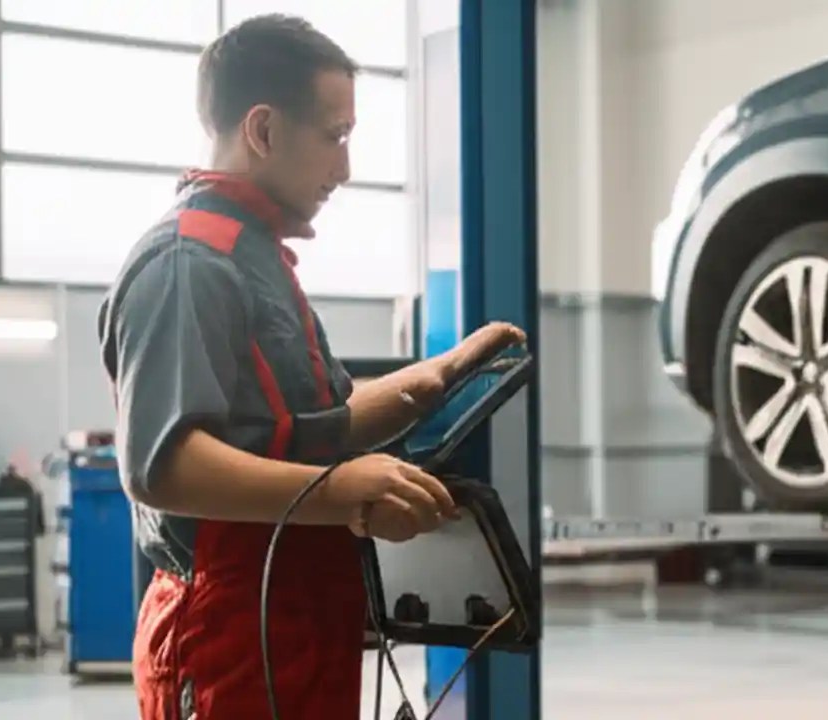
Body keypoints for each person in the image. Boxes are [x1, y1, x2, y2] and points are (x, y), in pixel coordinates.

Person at [96, 14, 525, 720]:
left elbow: (307, 429)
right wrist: (340, 493)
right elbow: (162, 465)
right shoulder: (187, 264)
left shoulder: (254, 257)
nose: (345, 169)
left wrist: (433, 379)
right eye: (336, 136)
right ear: (264, 130)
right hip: (226, 630)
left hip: (292, 615)